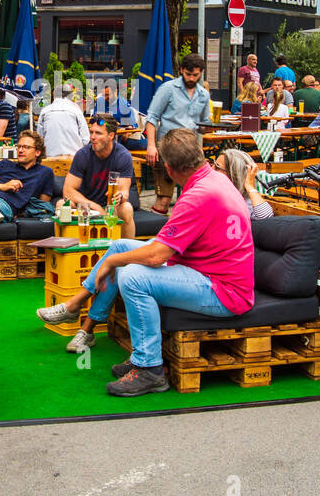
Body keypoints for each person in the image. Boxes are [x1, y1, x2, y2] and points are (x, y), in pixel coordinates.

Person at [36, 129, 255, 395]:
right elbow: (164, 248)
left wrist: (113, 262)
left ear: (169, 169)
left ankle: (150, 368)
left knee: (133, 276)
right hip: (206, 273)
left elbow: (156, 255)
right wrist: (116, 258)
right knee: (120, 245)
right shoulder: (212, 181)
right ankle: (78, 308)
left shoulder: (198, 195)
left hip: (222, 291)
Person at [144, 53, 211, 214]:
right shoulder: (168, 89)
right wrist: (151, 145)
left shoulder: (203, 95)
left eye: (195, 75)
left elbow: (203, 125)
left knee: (195, 197)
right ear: (181, 70)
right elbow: (152, 118)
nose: (191, 78)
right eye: (188, 74)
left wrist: (209, 126)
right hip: (167, 147)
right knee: (164, 198)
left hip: (190, 149)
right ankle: (156, 231)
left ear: (201, 73)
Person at [61, 116, 136, 247]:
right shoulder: (83, 155)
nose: (93, 137)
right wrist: (95, 207)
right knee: (62, 205)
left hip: (110, 206)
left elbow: (124, 191)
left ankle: (127, 253)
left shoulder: (122, 156)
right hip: (85, 205)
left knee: (127, 208)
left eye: (98, 133)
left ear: (111, 135)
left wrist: (121, 197)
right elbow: (67, 191)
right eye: (91, 132)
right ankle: (70, 251)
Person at [215, 148, 274, 220]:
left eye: (217, 167)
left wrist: (250, 187)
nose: (211, 169)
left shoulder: (244, 200)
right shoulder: (212, 190)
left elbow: (266, 218)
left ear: (233, 175)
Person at [38, 80, 91, 157]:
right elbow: (85, 139)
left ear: (54, 95)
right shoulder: (76, 111)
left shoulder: (45, 111)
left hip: (49, 158)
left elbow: (40, 137)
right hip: (74, 158)